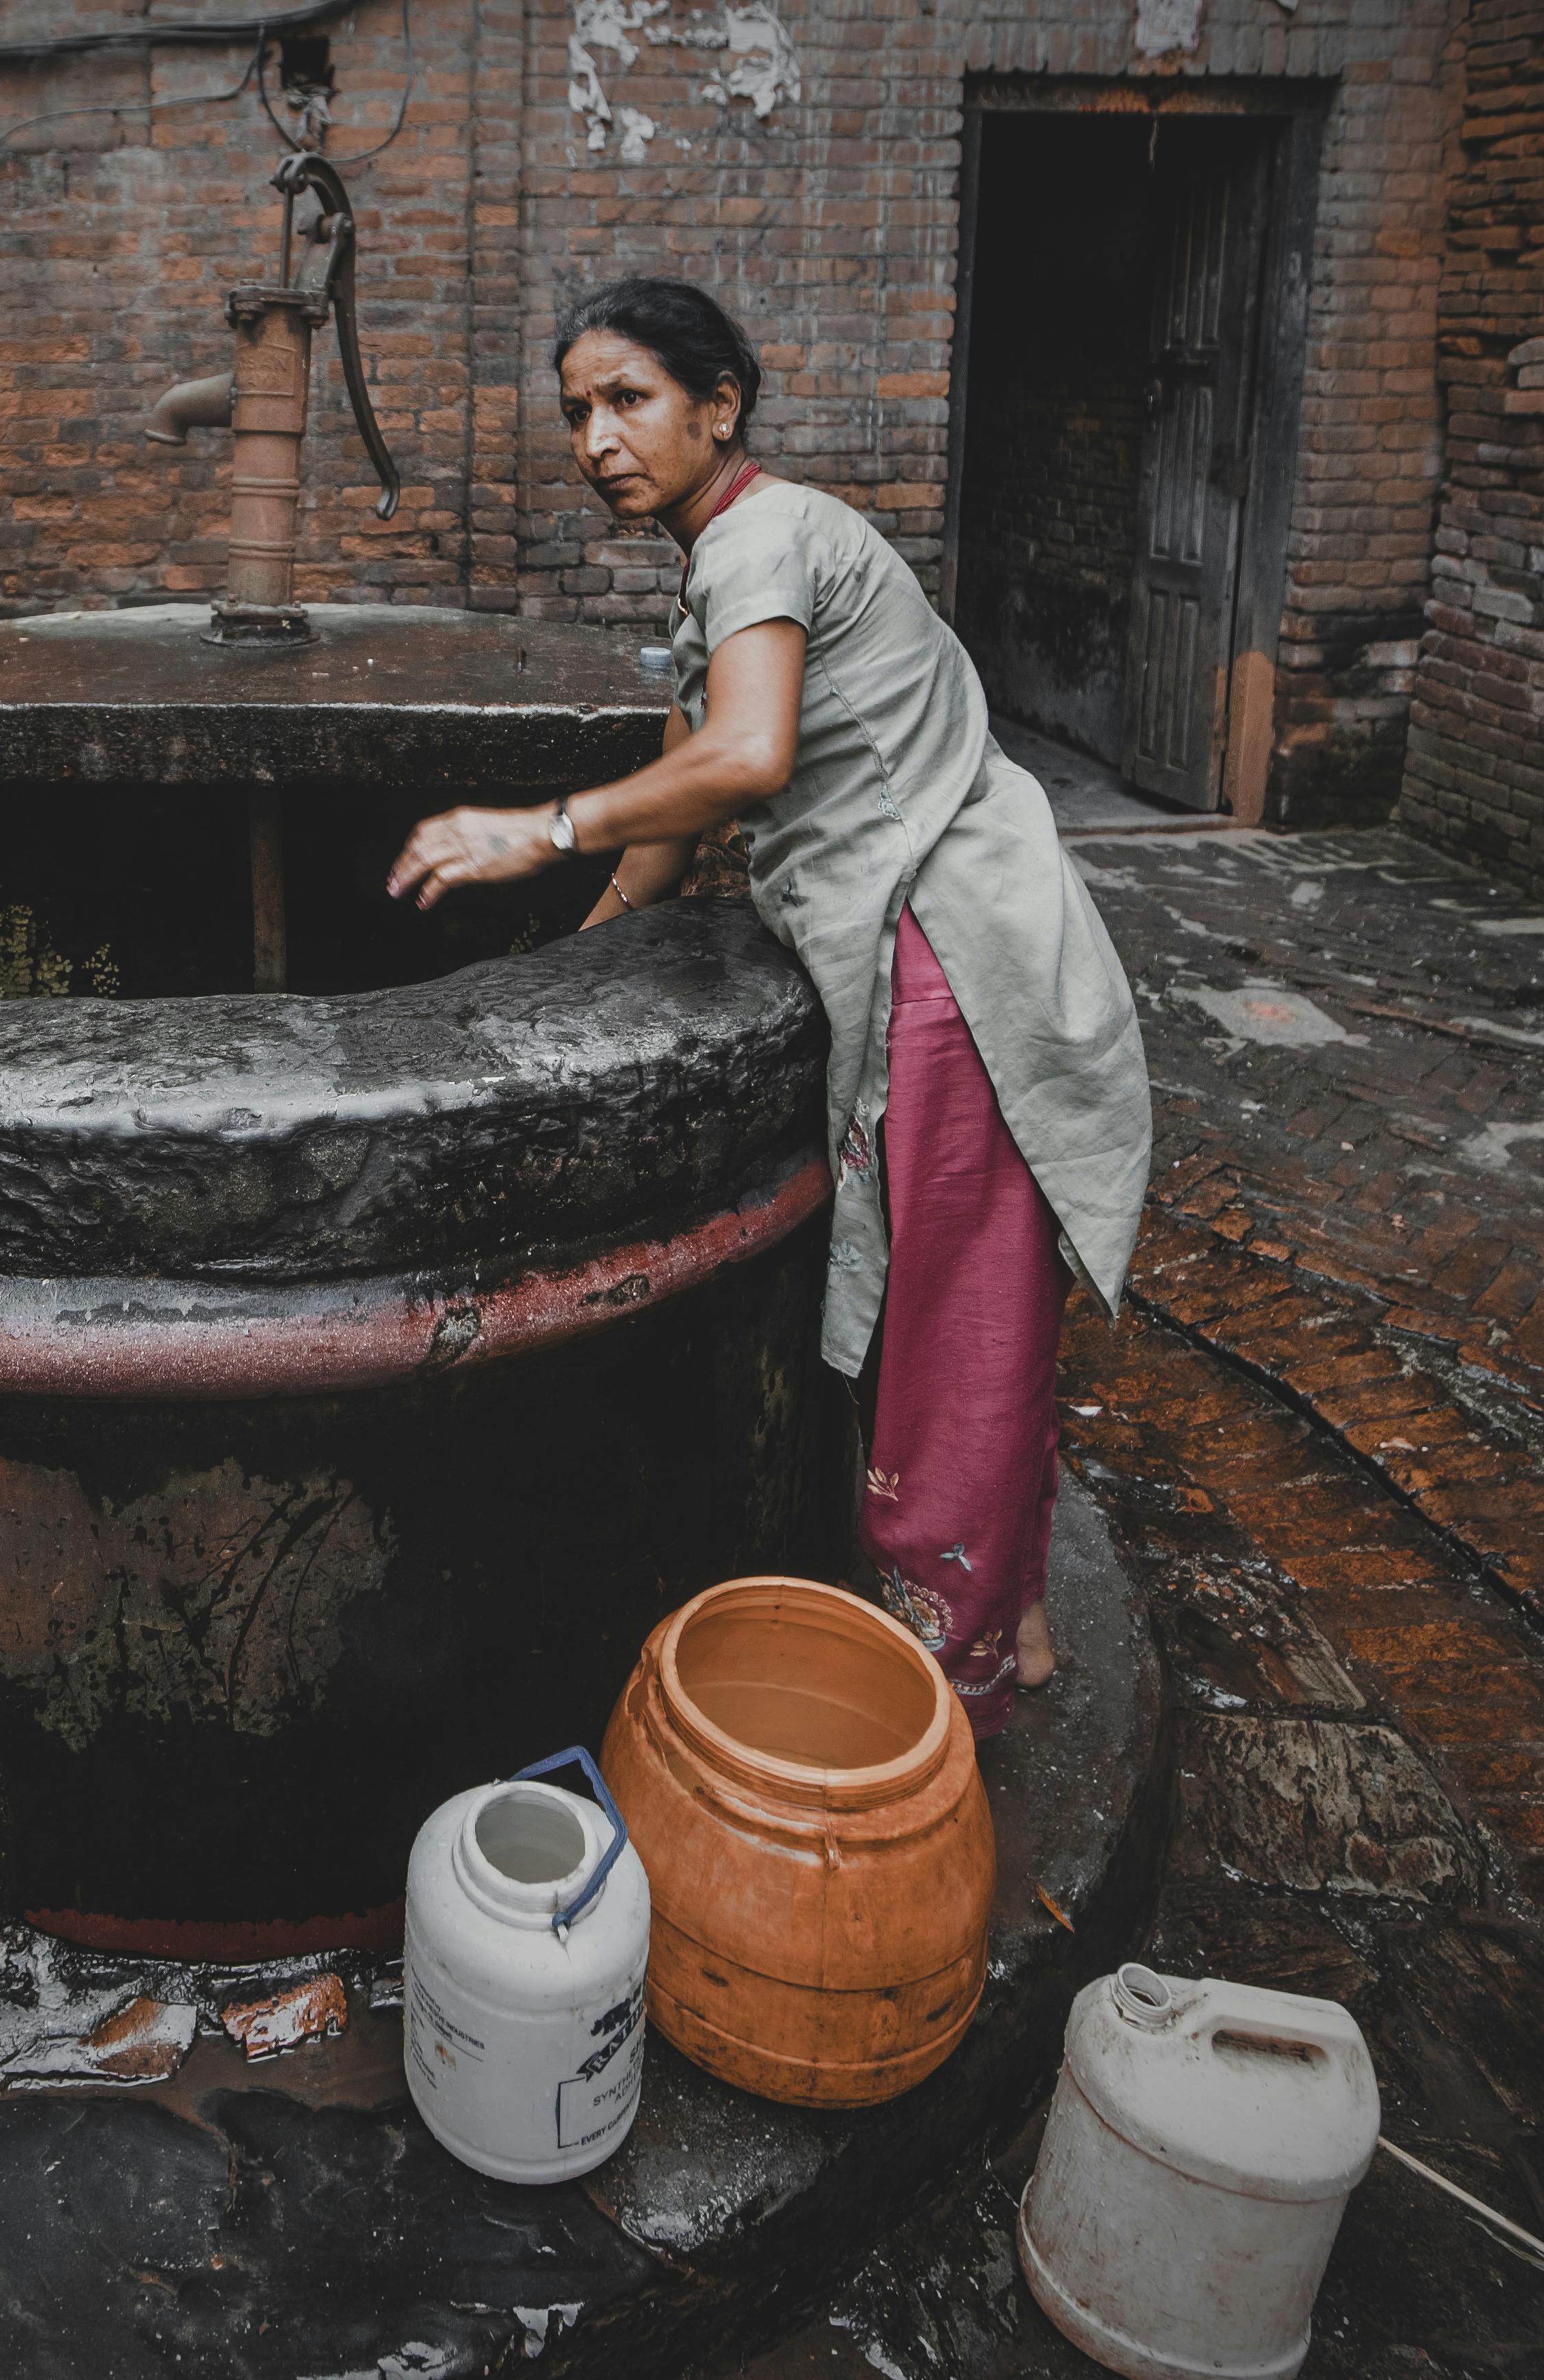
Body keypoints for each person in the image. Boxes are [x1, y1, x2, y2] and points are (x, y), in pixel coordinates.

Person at [388, 277, 1150, 1737]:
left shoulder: (760, 539)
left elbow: (741, 761)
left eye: (630, 400)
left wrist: (533, 829)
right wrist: (556, 974)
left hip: (956, 960)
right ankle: (1017, 1618)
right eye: (576, 414)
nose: (596, 439)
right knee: (971, 1307)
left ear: (717, 407)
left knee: (951, 1326)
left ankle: (946, 1704)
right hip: (950, 942)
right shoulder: (726, 570)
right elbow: (672, 837)